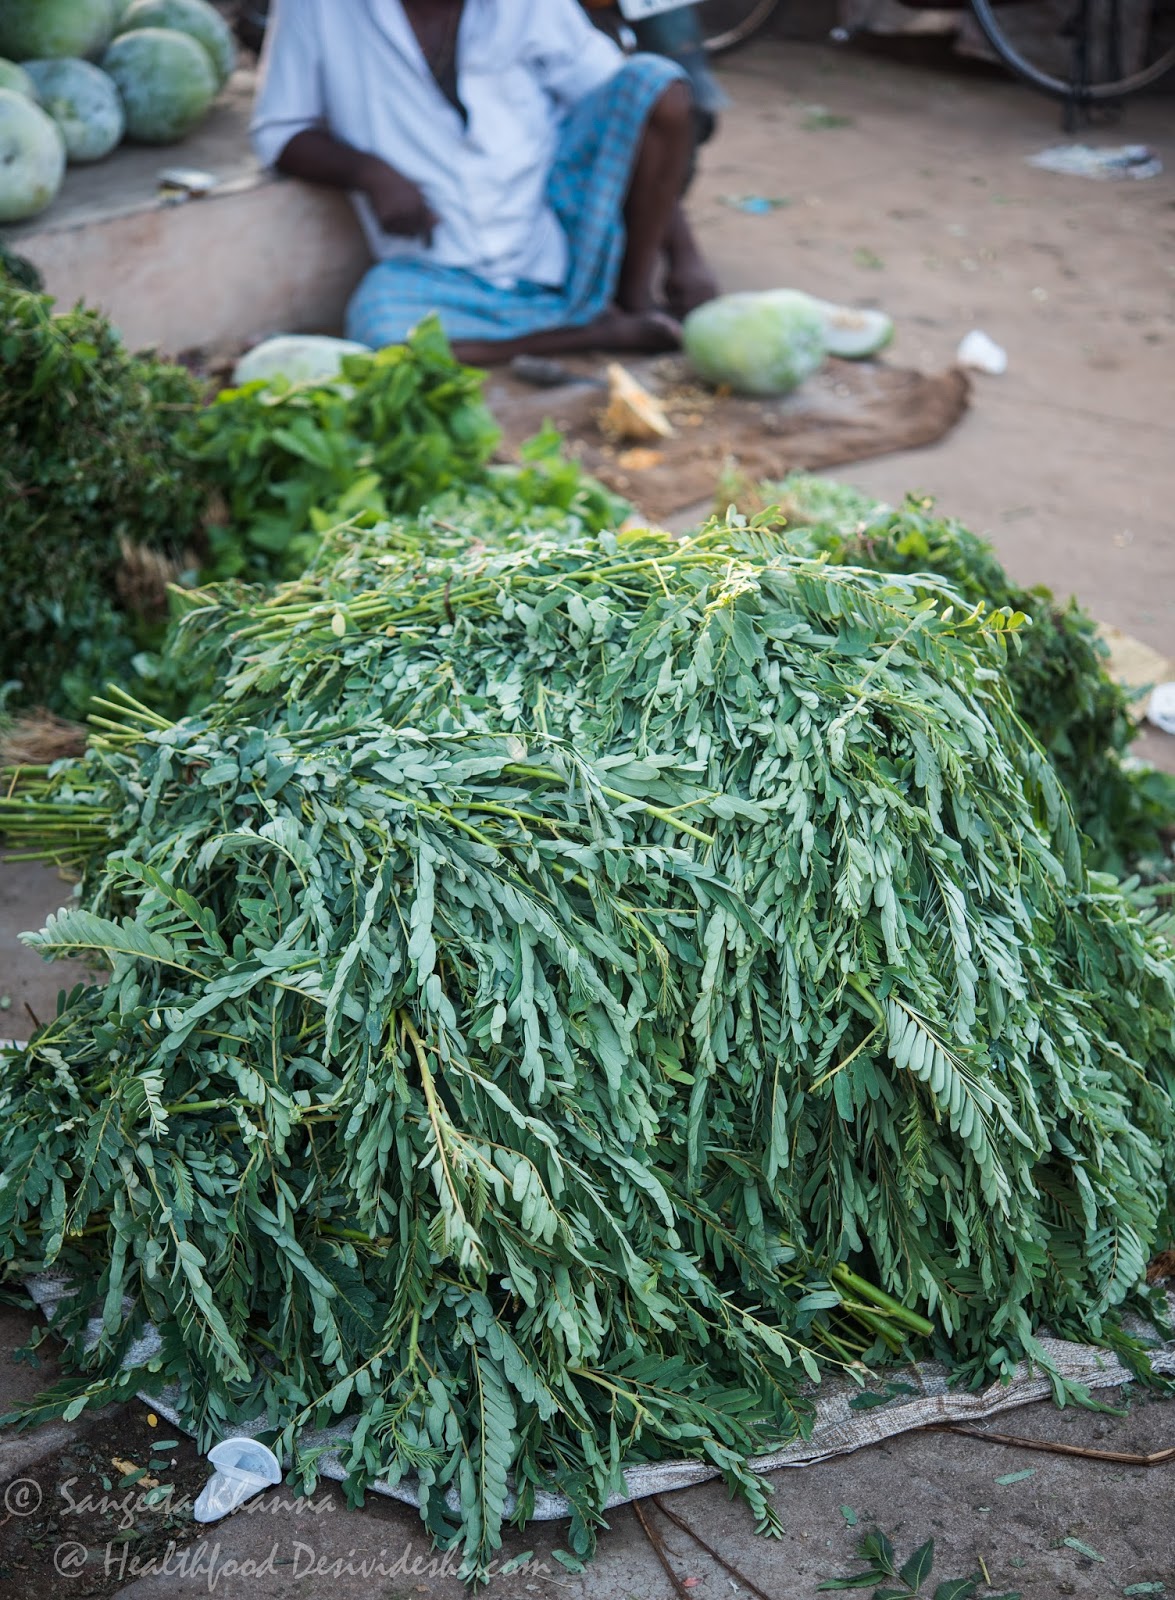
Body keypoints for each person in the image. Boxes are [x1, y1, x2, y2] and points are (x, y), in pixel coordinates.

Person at [250, 0, 718, 363]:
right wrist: (370, 173)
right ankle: (596, 332)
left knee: (660, 87)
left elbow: (627, 109)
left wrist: (685, 255)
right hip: (441, 260)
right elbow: (280, 132)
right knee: (382, 334)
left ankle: (631, 297)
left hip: (553, 224)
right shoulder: (318, 8)